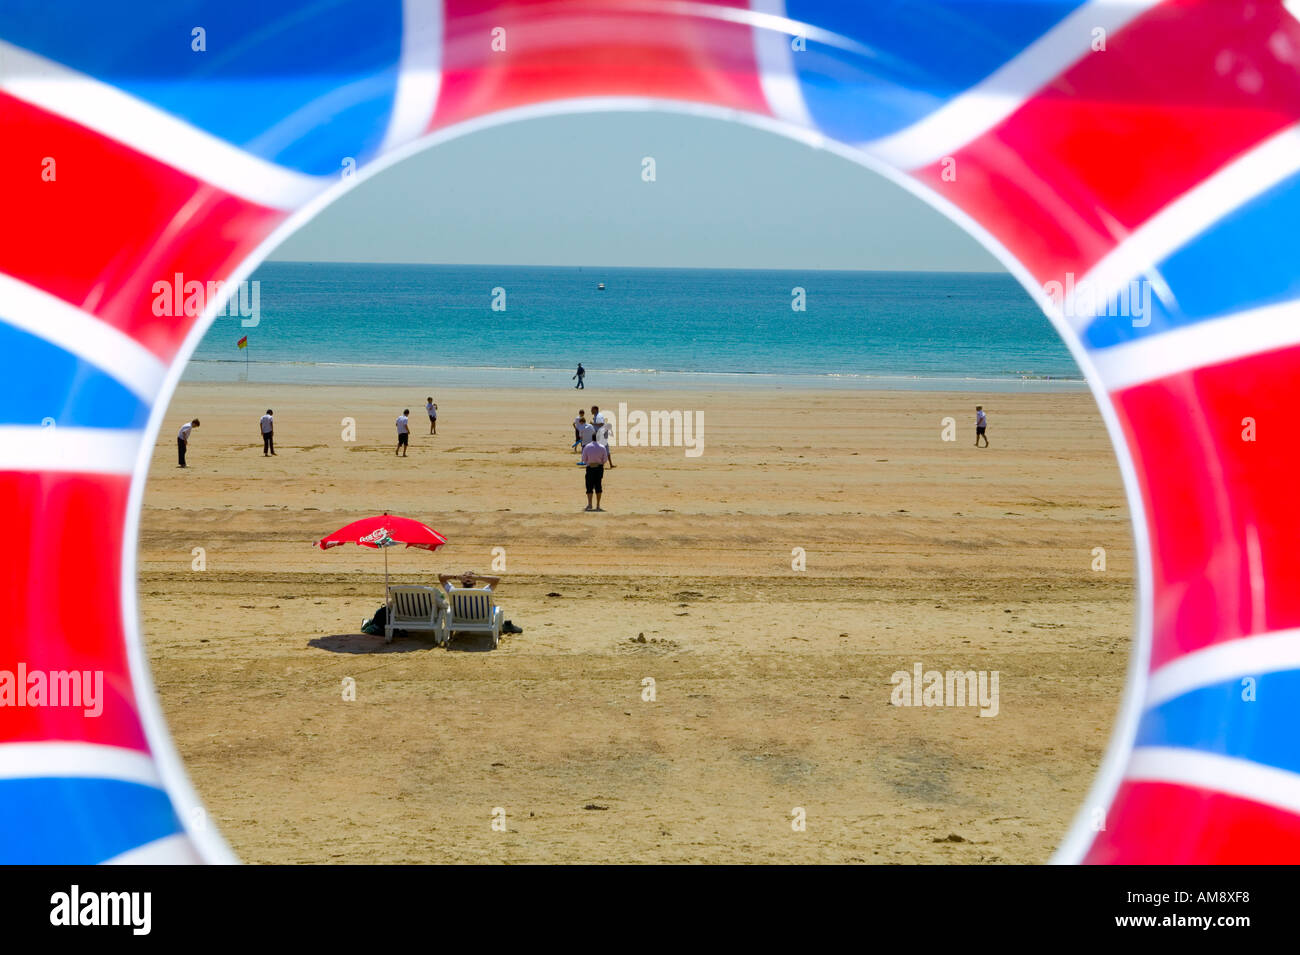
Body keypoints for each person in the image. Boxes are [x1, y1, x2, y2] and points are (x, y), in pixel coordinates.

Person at [438, 571, 524, 635]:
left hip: (460, 620)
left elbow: (441, 577)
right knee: (492, 604)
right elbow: (496, 580)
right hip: (482, 621)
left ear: (461, 581)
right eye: (466, 576)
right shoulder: (484, 592)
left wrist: (456, 576)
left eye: (470, 576)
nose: (468, 577)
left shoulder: (453, 591)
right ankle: (504, 626)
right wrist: (477, 577)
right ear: (475, 583)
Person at [582, 434, 609, 511]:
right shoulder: (602, 447)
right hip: (599, 468)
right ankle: (598, 505)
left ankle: (590, 504)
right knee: (598, 486)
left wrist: (589, 463)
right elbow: (605, 460)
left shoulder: (587, 447)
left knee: (589, 486)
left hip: (590, 468)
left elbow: (584, 459)